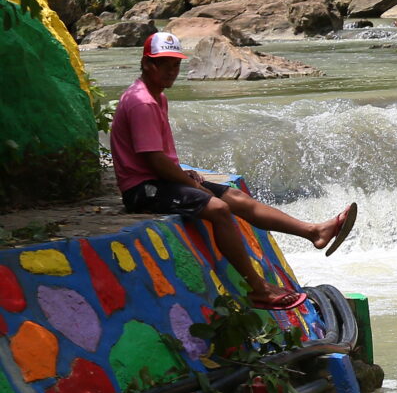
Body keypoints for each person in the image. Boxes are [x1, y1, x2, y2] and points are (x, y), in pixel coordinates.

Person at [111, 31, 358, 311]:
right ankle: (260, 288)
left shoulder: (157, 97)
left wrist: (185, 175)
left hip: (159, 179)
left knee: (237, 198)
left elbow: (158, 156)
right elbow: (154, 162)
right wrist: (192, 184)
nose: (171, 70)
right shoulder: (142, 101)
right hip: (142, 189)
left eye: (175, 64)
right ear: (147, 64)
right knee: (218, 209)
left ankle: (314, 231)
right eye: (164, 63)